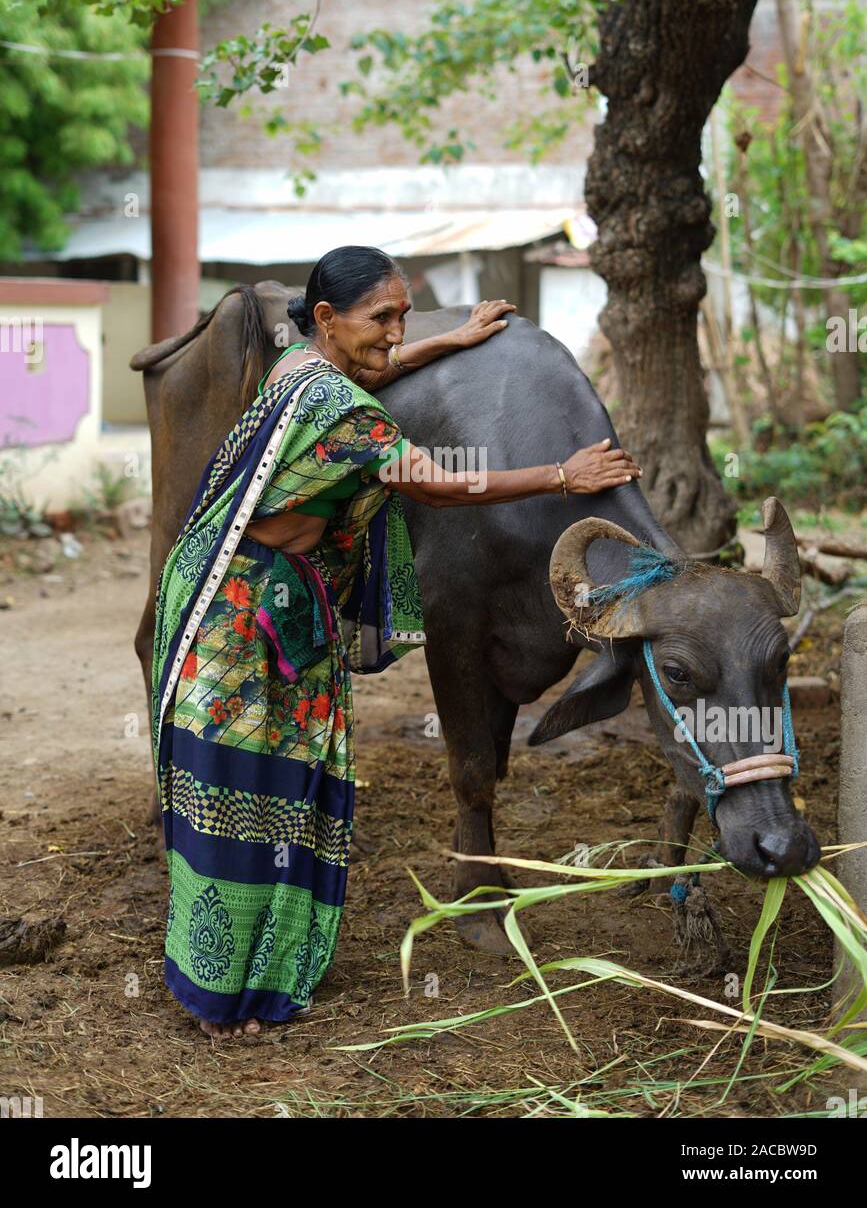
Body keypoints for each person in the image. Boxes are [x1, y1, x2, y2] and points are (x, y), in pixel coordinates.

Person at [151, 246, 641, 1038]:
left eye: (404, 316)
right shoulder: (342, 413)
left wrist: (448, 340)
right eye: (382, 317)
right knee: (247, 787)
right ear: (325, 319)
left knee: (276, 785)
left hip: (253, 590)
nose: (396, 331)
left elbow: (368, 374)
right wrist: (562, 475)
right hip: (245, 615)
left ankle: (246, 977)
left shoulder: (298, 373)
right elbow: (437, 484)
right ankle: (224, 995)